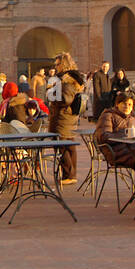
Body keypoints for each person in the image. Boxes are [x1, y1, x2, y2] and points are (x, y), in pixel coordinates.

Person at [47, 52, 86, 185]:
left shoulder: (66, 80)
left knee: (62, 145)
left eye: (58, 64)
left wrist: (51, 94)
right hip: (68, 117)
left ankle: (68, 175)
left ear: (64, 64)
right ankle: (71, 174)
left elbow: (65, 99)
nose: (56, 67)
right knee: (69, 145)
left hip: (62, 117)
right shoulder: (72, 78)